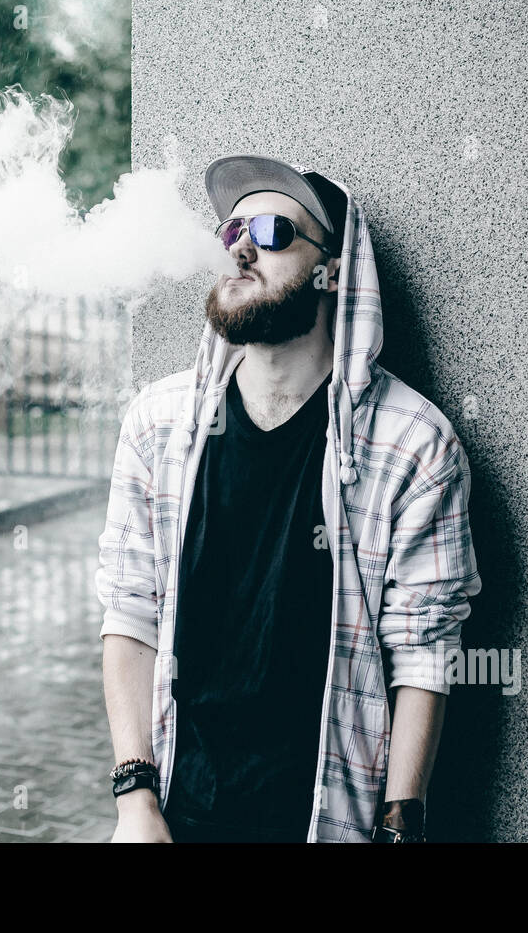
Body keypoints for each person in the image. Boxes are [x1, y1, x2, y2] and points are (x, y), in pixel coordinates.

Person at [97, 154, 482, 843]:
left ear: (333, 269)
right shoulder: (156, 426)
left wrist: (400, 828)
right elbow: (130, 616)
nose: (241, 244)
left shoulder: (414, 445)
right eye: (231, 229)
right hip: (174, 819)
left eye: (274, 230)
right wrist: (135, 799)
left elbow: (424, 652)